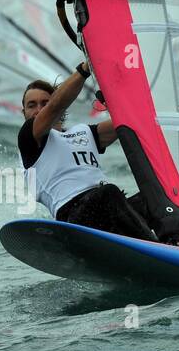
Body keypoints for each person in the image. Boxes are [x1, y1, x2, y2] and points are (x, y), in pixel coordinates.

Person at [18, 65, 158, 241]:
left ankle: (178, 242)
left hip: (109, 207)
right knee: (107, 193)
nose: (39, 110)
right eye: (32, 105)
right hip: (75, 218)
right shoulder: (29, 138)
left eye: (44, 103)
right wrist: (85, 68)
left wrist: (120, 95)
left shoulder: (84, 132)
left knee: (158, 196)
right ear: (24, 113)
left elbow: (129, 120)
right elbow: (55, 106)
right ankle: (158, 246)